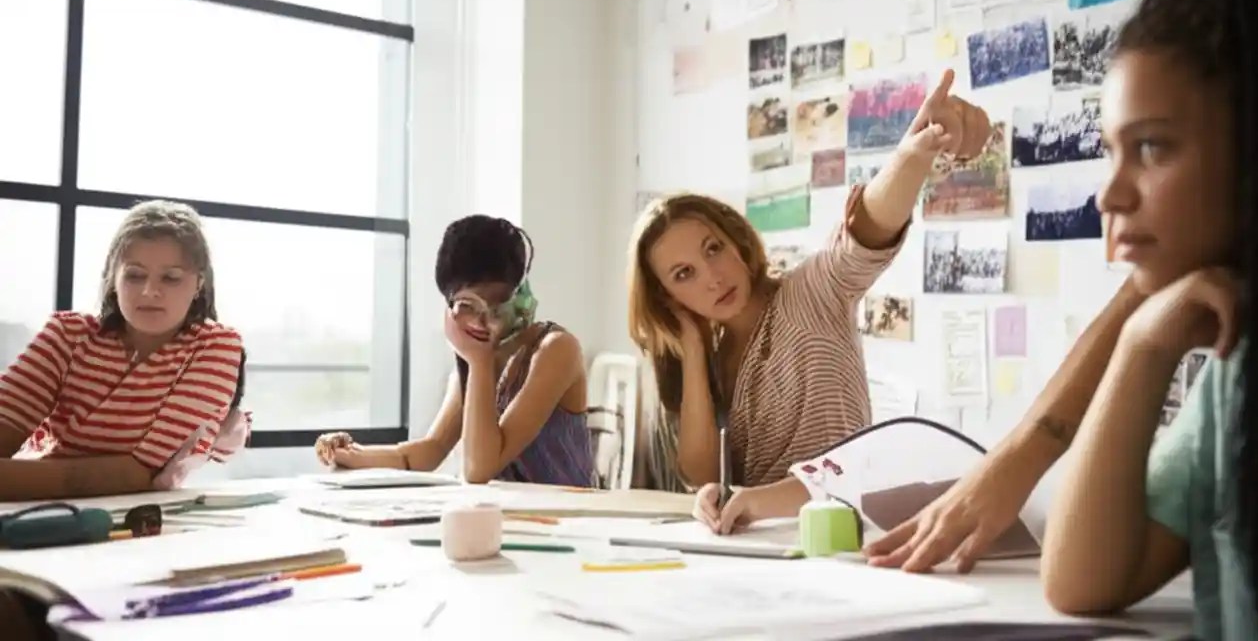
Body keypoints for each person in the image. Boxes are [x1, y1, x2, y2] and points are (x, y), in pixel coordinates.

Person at [1041, 0, 1258, 639]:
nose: (1109, 196)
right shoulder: (1235, 371)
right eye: (1112, 149)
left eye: (1150, 147)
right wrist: (1141, 344)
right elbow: (1081, 580)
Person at [630, 69, 990, 495]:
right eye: (684, 274)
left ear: (735, 240)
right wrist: (692, 347)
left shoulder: (810, 292)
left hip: (841, 525)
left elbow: (863, 234)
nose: (713, 278)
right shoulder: (710, 355)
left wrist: (914, 154)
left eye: (713, 249)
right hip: (757, 533)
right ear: (667, 297)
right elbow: (700, 476)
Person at [314, 215, 594, 486]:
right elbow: (432, 449)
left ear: (521, 295)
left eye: (497, 304)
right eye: (468, 306)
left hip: (570, 511)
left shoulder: (555, 350)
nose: (483, 320)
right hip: (513, 512)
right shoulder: (477, 358)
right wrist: (353, 454)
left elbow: (478, 469)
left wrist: (479, 362)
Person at [0, 200, 248, 502]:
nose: (149, 291)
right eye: (134, 275)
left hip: (138, 516)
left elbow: (142, 472)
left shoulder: (216, 345)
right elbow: (6, 425)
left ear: (199, 284)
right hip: (32, 505)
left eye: (171, 278)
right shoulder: (67, 334)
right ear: (113, 279)